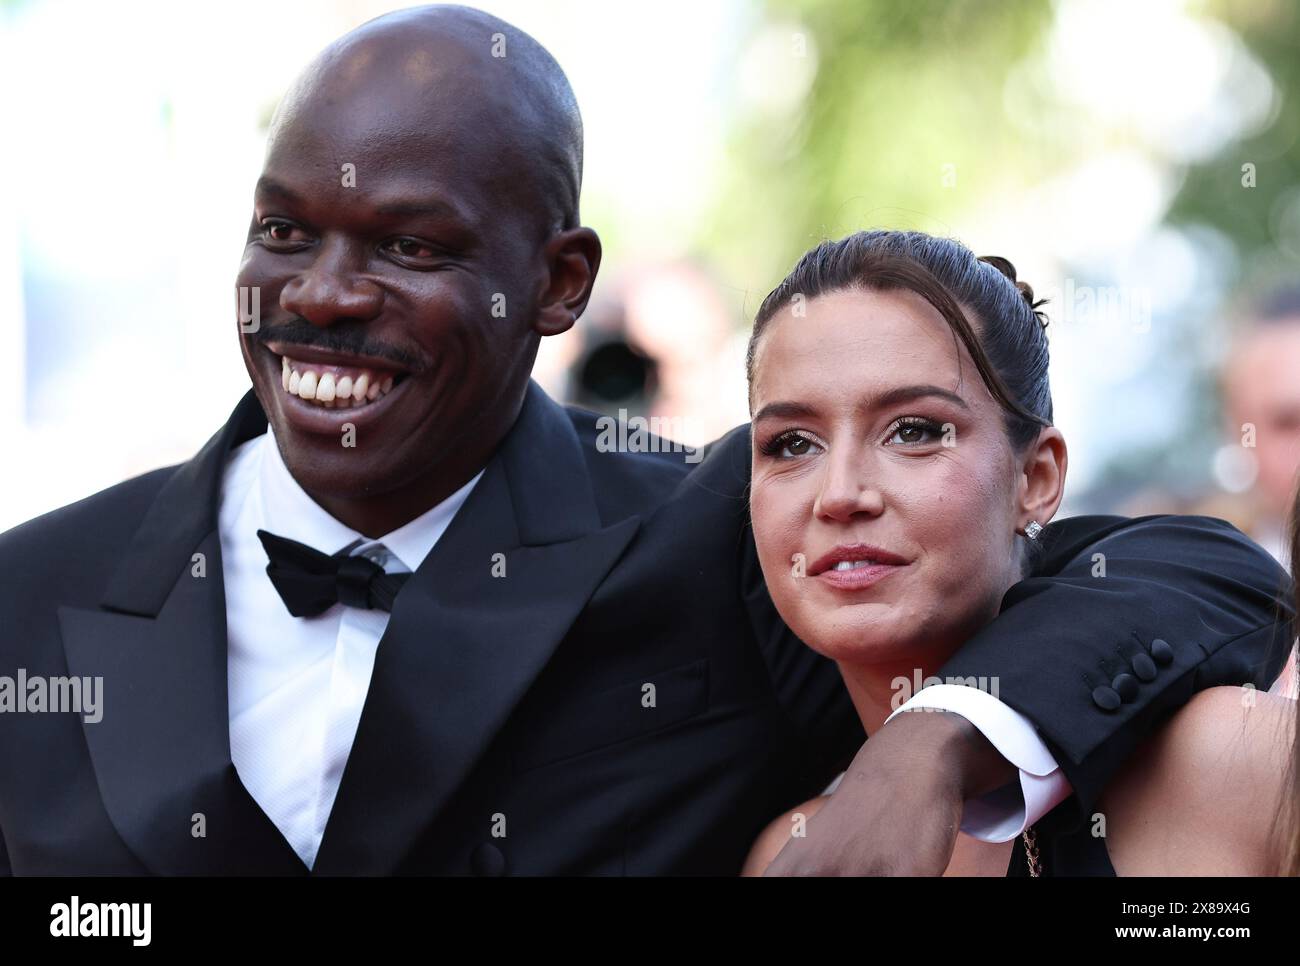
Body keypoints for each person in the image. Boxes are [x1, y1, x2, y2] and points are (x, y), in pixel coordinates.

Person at [0, 6, 1290, 876]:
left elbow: (1193, 574)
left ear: (559, 285)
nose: (323, 295)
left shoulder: (713, 541)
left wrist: (946, 733)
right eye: (284, 233)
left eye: (410, 245)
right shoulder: (27, 599)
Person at [740, 230, 1297, 875]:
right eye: (792, 444)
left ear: (1036, 479)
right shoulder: (786, 852)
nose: (840, 495)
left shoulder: (1237, 762)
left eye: (915, 431)